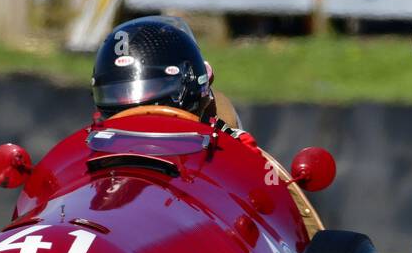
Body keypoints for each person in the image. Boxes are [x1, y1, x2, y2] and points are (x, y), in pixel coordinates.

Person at [90, 16, 322, 236]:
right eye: (118, 94)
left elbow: (263, 193)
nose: (136, 105)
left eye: (154, 89)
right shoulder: (91, 144)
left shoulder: (226, 138)